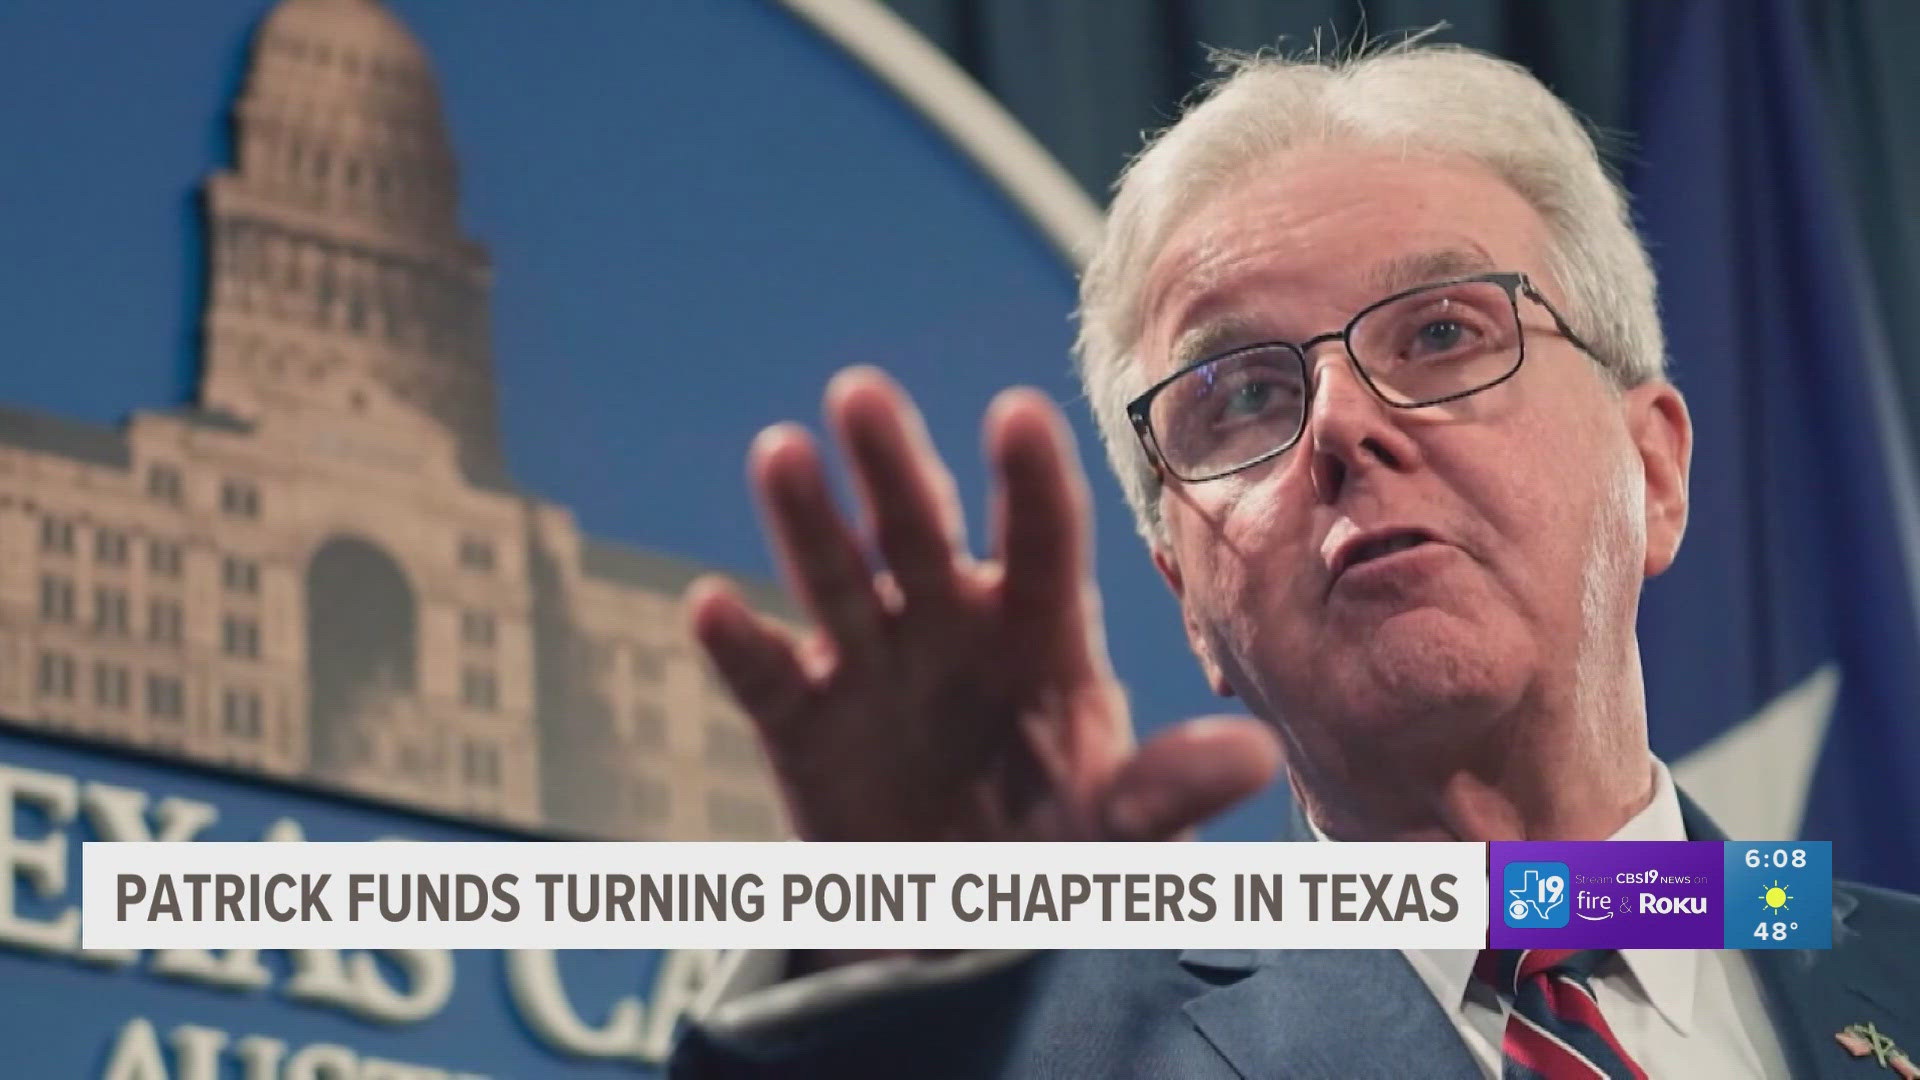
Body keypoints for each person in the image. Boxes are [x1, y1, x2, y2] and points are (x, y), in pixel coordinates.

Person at [670, 42, 1920, 1080]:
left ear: (1653, 472)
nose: (1344, 424)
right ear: (1187, 601)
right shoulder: (1044, 1047)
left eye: (1443, 332)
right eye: (1242, 395)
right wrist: (900, 969)